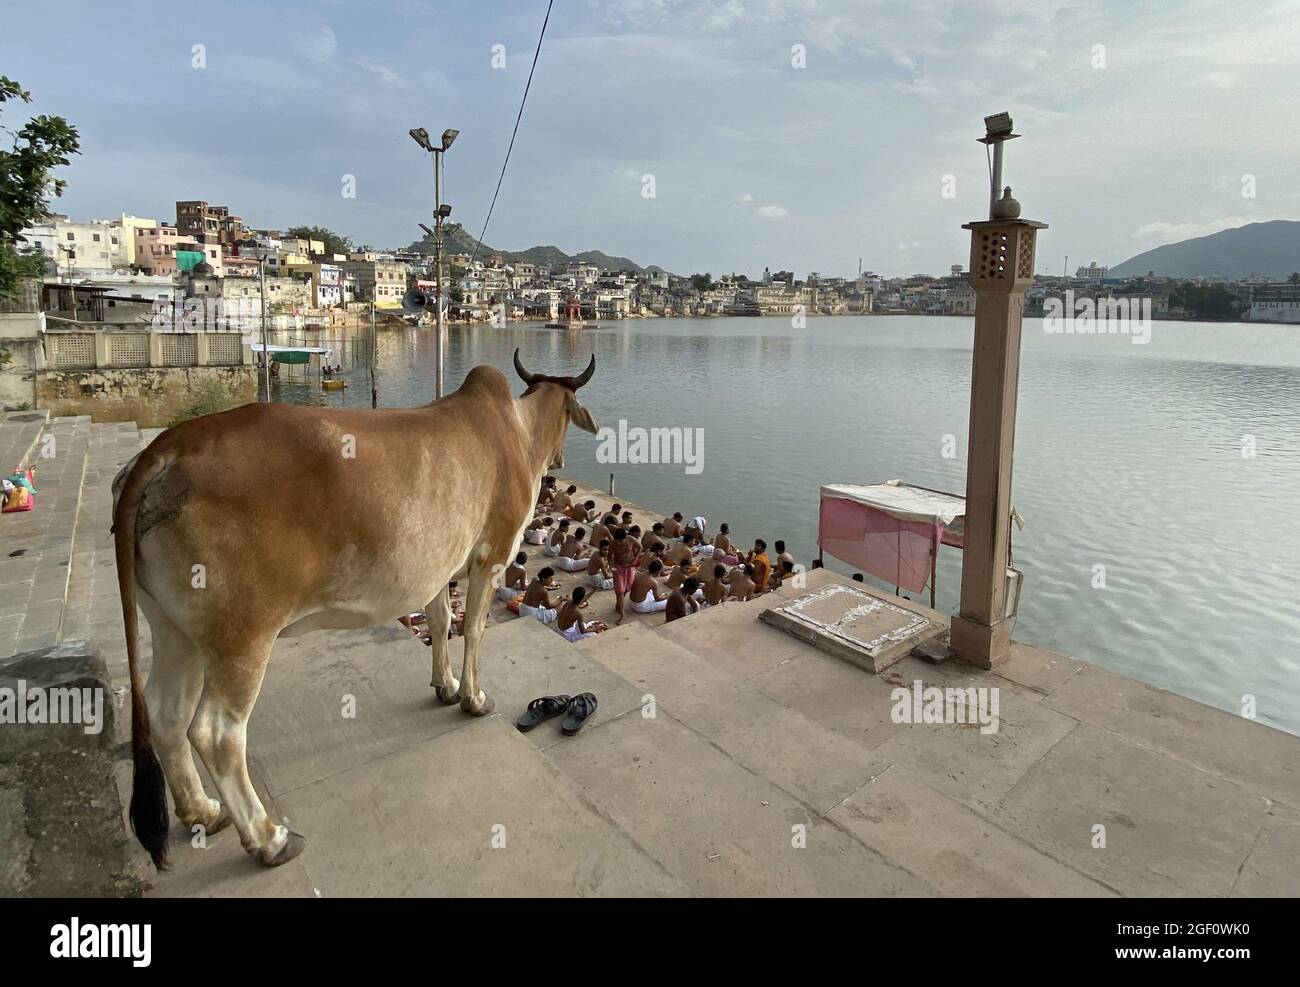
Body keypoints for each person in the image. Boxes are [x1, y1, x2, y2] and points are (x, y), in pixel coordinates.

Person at [610, 527, 639, 624]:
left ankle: (619, 605)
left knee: (626, 588)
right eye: (618, 541)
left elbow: (640, 547)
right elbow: (609, 555)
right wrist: (611, 566)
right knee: (619, 590)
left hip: (630, 567)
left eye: (621, 540)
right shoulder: (613, 543)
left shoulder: (630, 539)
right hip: (619, 568)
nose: (619, 543)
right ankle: (622, 614)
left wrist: (635, 558)